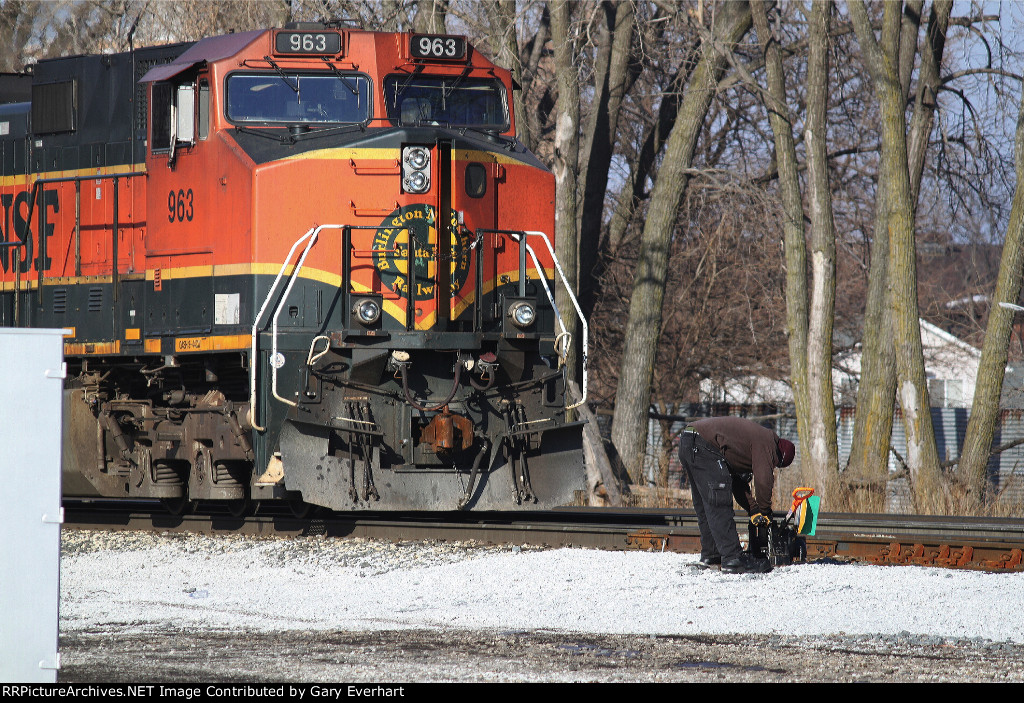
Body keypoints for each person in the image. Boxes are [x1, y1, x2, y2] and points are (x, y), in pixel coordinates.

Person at [678, 416, 795, 574]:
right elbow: (763, 481)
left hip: (688, 441)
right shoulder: (768, 442)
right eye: (775, 464)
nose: (772, 465)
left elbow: (736, 482)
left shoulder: (743, 444)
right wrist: (765, 512)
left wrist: (754, 510)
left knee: (707, 505)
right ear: (779, 456)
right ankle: (732, 559)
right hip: (703, 444)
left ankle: (711, 556)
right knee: (718, 503)